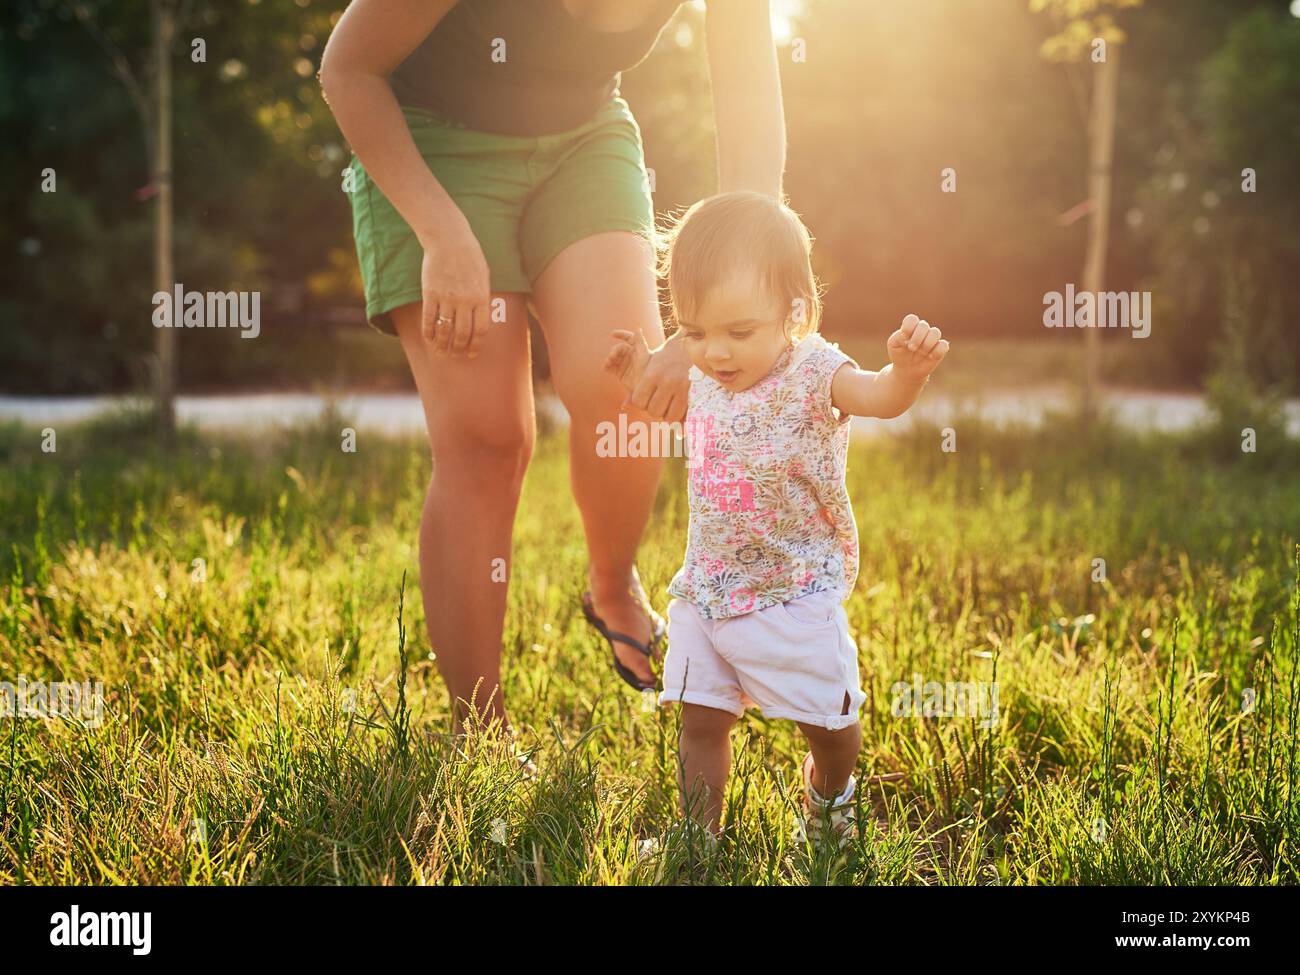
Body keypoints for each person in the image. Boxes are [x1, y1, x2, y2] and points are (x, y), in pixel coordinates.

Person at [318, 1, 788, 731]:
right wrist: (441, 232)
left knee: (630, 391)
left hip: (584, 138)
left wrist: (701, 321)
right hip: (430, 145)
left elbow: (752, 111)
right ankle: (479, 728)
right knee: (488, 439)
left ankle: (611, 582)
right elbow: (348, 68)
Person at [605, 191, 950, 842]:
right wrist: (640, 373)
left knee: (829, 726)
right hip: (709, 588)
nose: (716, 352)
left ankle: (828, 798)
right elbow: (684, 413)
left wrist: (906, 374)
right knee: (701, 720)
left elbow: (878, 396)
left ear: (794, 310)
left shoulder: (816, 371)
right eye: (696, 331)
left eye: (740, 331)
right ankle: (696, 835)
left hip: (794, 592)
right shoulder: (706, 373)